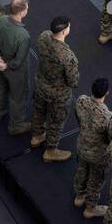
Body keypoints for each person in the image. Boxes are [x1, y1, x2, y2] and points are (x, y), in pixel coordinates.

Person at [31, 16, 79, 162]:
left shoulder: (43, 37)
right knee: (56, 122)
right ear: (64, 31)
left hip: (40, 86)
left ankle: (37, 136)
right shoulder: (67, 56)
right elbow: (73, 81)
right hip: (58, 96)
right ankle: (51, 150)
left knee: (39, 112)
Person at [73, 77, 112, 218]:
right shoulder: (109, 118)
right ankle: (90, 208)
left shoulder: (81, 101)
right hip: (98, 155)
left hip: (82, 146)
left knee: (81, 171)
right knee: (96, 180)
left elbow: (79, 119)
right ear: (107, 93)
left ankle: (79, 196)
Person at [0, 0, 32, 135]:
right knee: (17, 97)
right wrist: (7, 65)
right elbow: (19, 60)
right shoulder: (23, 35)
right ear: (21, 12)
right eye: (26, 8)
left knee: (0, 87)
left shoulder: (0, 21)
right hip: (16, 71)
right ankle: (17, 125)